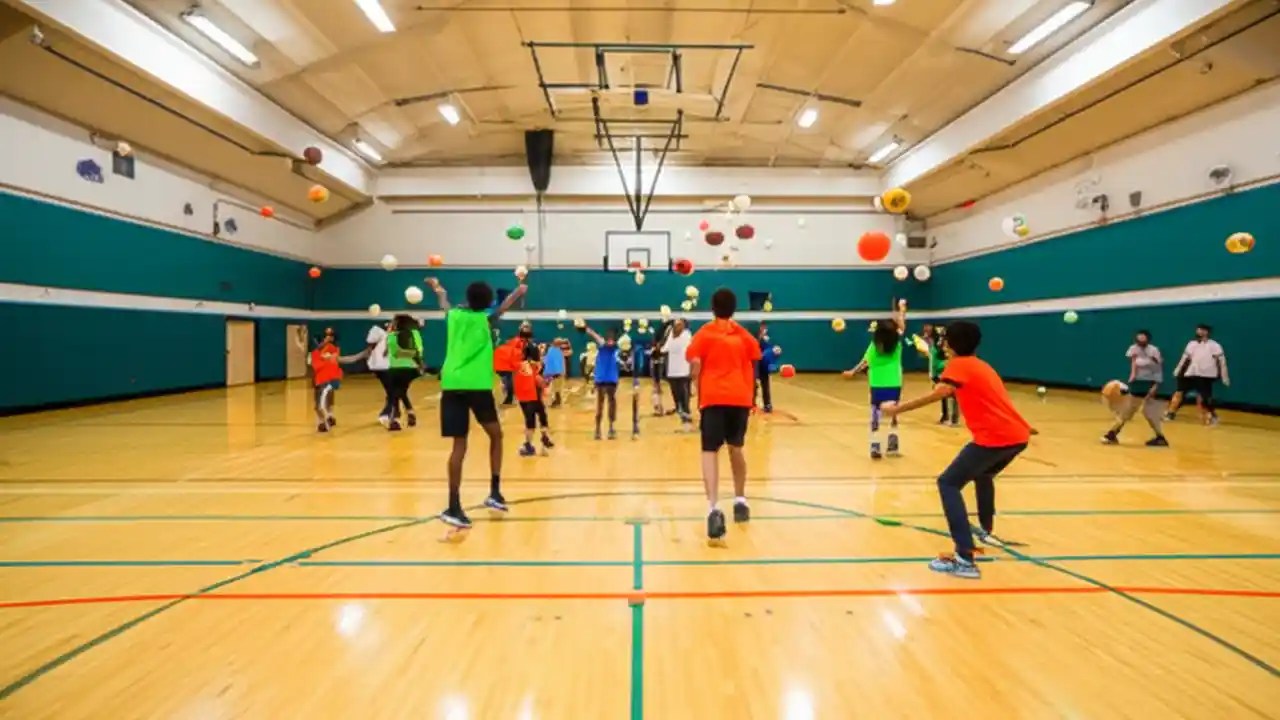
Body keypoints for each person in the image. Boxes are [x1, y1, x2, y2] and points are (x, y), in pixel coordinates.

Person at [881, 321, 1033, 579]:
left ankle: (964, 559)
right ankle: (985, 531)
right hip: (1017, 436)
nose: (942, 343)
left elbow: (941, 392)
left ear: (950, 343)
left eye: (945, 339)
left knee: (948, 483)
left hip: (994, 438)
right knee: (983, 474)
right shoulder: (981, 365)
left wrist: (896, 409)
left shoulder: (958, 365)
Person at [428, 276, 527, 528]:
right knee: (496, 436)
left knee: (459, 445)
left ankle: (454, 506)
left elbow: (443, 301)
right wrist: (519, 290)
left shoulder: (453, 316)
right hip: (477, 385)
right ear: (486, 302)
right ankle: (493, 491)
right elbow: (504, 307)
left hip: (452, 384)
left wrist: (437, 287)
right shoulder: (486, 318)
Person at [687, 288, 762, 541]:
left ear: (712, 307)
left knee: (710, 451)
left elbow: (694, 363)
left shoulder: (704, 334)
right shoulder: (743, 335)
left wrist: (696, 387)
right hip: (740, 398)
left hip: (714, 398)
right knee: (736, 448)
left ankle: (713, 508)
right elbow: (755, 356)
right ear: (734, 309)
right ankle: (740, 500)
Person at [843, 301, 909, 459]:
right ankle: (893, 446)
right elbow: (902, 327)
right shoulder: (897, 345)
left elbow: (865, 362)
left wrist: (852, 372)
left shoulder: (875, 347)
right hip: (894, 383)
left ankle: (875, 446)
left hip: (877, 384)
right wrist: (902, 310)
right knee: (893, 413)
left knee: (875, 413)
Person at [1102, 330, 1168, 446]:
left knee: (1140, 411)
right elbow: (1133, 362)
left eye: (1143, 339)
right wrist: (1132, 375)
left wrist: (1156, 385)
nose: (1140, 342)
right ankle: (1160, 437)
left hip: (1148, 383)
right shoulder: (1133, 349)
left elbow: (1158, 368)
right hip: (1137, 383)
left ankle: (1112, 434)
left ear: (1148, 339)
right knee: (1138, 411)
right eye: (1138, 339)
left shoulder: (1153, 351)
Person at [1165, 324, 1230, 425]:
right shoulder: (1191, 344)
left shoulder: (1215, 346)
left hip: (1206, 376)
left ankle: (1213, 416)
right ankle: (1171, 413)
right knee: (1179, 393)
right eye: (1198, 330)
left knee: (1204, 398)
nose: (1199, 332)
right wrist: (1177, 370)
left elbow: (1222, 362)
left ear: (1207, 332)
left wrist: (1225, 377)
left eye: (1202, 330)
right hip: (1190, 373)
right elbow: (1184, 358)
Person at [306, 330, 366, 433]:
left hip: (328, 380)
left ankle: (326, 420)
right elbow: (311, 365)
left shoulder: (331, 350)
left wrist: (361, 355)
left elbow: (344, 359)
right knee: (318, 404)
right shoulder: (314, 355)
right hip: (319, 380)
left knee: (323, 402)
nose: (327, 339)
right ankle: (324, 420)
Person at [383, 314, 425, 432]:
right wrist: (420, 363)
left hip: (396, 368)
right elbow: (419, 350)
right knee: (401, 391)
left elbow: (393, 353)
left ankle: (395, 420)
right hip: (412, 368)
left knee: (394, 394)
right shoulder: (415, 334)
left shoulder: (392, 336)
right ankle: (410, 412)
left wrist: (389, 334)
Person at [515, 343, 554, 456]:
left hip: (522, 398)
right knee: (541, 418)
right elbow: (538, 380)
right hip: (533, 396)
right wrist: (547, 382)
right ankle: (530, 444)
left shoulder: (519, 365)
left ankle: (540, 440)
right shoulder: (536, 365)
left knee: (531, 420)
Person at [582, 324, 621, 439]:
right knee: (600, 404)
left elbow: (594, 335)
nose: (610, 340)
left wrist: (587, 329)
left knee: (611, 403)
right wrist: (586, 328)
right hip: (602, 380)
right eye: (609, 338)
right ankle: (598, 429)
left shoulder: (615, 348)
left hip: (611, 380)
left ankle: (611, 428)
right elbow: (594, 335)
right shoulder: (603, 345)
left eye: (612, 338)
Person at [917, 324, 958, 426]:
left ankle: (952, 418)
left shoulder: (947, 349)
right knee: (945, 396)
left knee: (952, 396)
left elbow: (939, 363)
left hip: (947, 374)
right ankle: (946, 416)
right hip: (939, 375)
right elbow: (934, 363)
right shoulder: (935, 349)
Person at [661, 318, 694, 431]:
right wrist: (658, 350)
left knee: (684, 397)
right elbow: (666, 348)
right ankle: (683, 417)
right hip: (672, 371)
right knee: (676, 397)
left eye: (679, 325)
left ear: (684, 326)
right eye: (675, 325)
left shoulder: (686, 335)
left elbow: (677, 346)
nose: (676, 327)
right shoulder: (671, 334)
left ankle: (687, 421)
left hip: (683, 371)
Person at [754, 322, 779, 413]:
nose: (764, 329)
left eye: (765, 328)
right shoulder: (754, 337)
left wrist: (775, 351)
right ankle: (751, 404)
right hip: (755, 363)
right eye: (762, 327)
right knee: (753, 384)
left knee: (765, 385)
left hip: (763, 365)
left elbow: (771, 350)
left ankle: (767, 405)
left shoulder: (767, 339)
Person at [541, 338, 567, 408]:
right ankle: (556, 401)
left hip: (555, 373)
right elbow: (554, 362)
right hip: (555, 373)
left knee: (556, 388)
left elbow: (551, 361)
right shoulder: (556, 351)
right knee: (555, 388)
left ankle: (557, 402)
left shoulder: (554, 351)